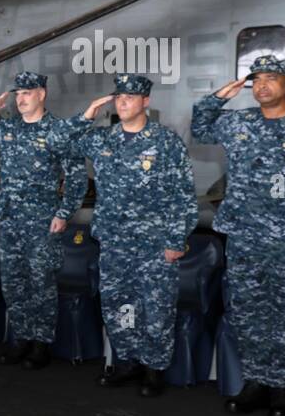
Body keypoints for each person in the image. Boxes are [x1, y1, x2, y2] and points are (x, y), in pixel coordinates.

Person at [191, 55, 285, 416]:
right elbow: (200, 126)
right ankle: (255, 381)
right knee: (247, 310)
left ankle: (283, 388)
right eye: (257, 79)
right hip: (244, 235)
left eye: (272, 78)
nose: (263, 85)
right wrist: (222, 94)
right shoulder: (238, 122)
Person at [55, 74, 197, 397]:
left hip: (155, 243)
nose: (123, 101)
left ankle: (154, 368)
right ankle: (128, 361)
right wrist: (86, 115)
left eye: (130, 97)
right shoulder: (103, 139)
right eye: (119, 96)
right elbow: (60, 139)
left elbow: (184, 196)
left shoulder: (166, 142)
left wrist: (176, 240)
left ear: (146, 101)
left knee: (156, 306)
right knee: (119, 305)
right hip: (115, 242)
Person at [0, 72, 88, 369]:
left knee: (41, 282)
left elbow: (76, 176)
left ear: (42, 94)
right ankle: (20, 338)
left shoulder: (58, 130)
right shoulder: (7, 128)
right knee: (13, 282)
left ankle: (40, 343)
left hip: (43, 220)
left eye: (27, 93)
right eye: (17, 94)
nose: (21, 99)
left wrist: (63, 212)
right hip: (10, 220)